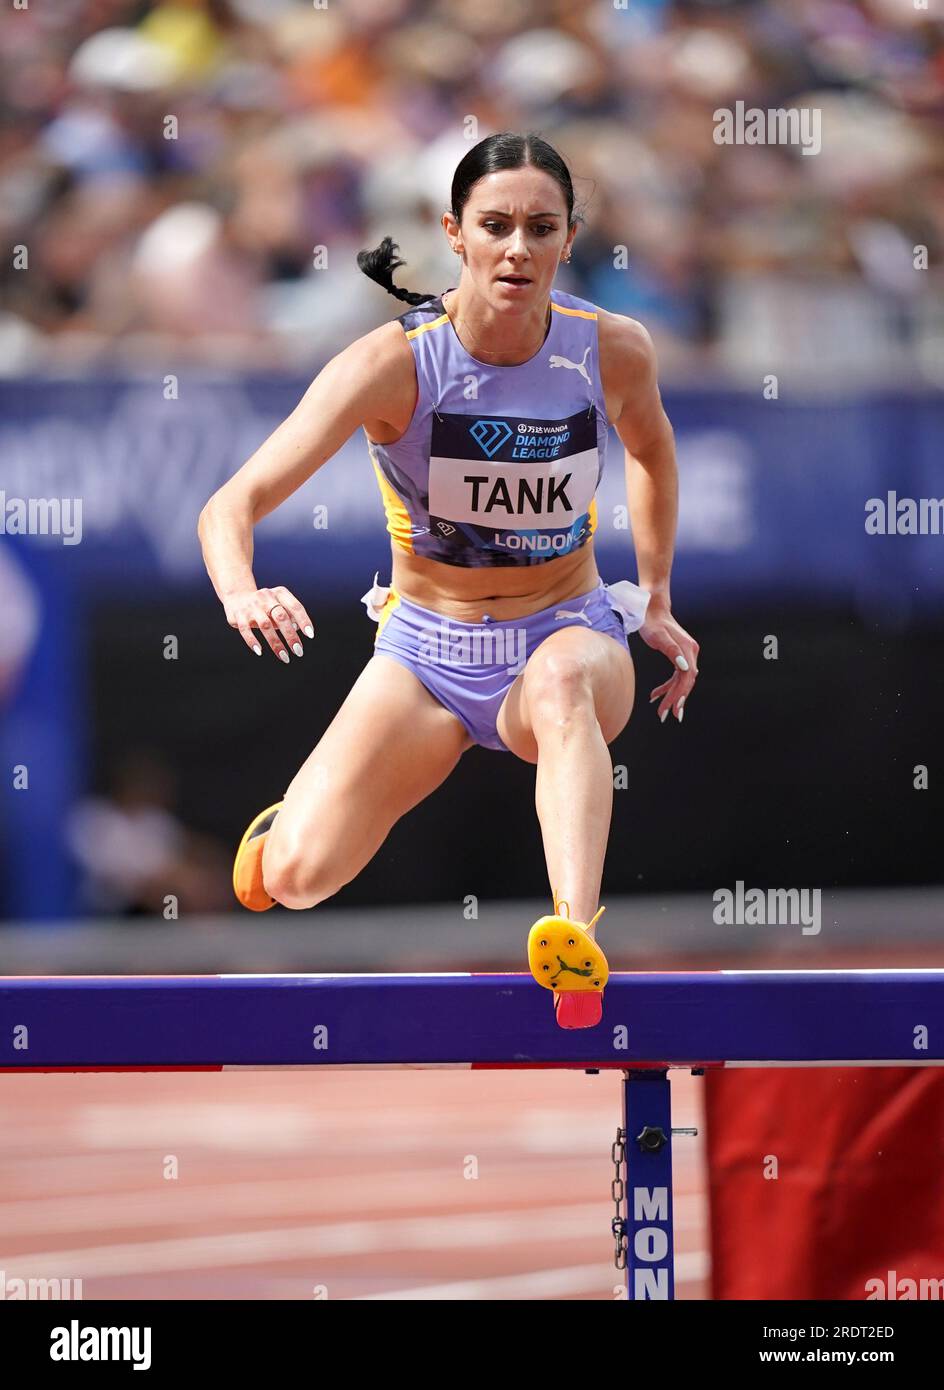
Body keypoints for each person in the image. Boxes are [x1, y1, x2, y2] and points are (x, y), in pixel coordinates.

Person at [198, 131, 699, 1029]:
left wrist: (655, 595)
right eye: (496, 226)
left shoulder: (610, 349)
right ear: (454, 234)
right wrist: (242, 589)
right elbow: (229, 506)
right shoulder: (392, 364)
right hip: (426, 655)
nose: (518, 249)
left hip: (567, 630)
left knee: (559, 681)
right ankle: (288, 832)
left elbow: (654, 452)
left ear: (569, 239)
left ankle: (574, 938)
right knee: (299, 883)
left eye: (541, 228)